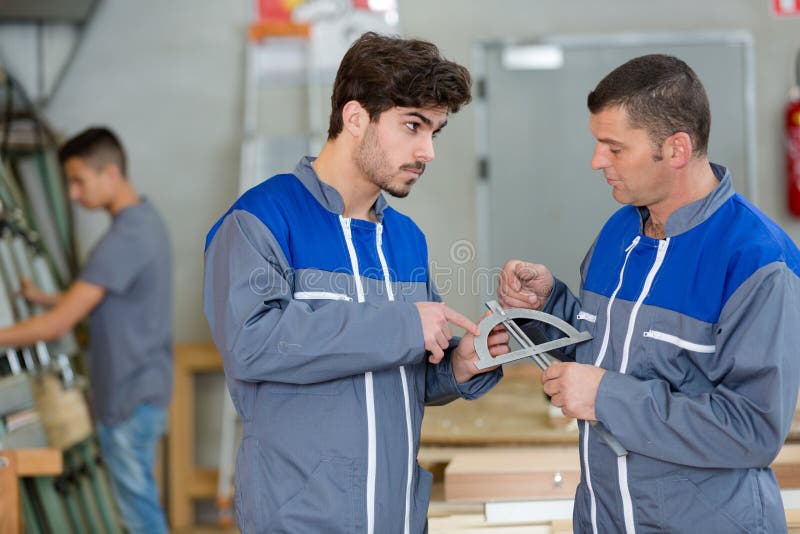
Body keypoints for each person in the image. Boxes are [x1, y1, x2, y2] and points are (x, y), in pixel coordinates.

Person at [204, 32, 507, 533]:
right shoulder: (260, 220)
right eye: (412, 125)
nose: (427, 151)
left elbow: (393, 376)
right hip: (301, 521)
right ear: (355, 117)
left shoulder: (406, 239)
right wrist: (403, 327)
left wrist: (458, 365)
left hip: (396, 517)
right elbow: (251, 345)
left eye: (435, 131)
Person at [498, 54, 800, 533]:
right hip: (605, 519)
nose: (597, 161)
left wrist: (606, 398)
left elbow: (752, 429)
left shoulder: (758, 261)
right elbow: (607, 356)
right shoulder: (619, 233)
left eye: (614, 148)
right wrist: (547, 306)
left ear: (676, 149)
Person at [0, 127, 173, 534]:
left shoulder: (123, 239)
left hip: (128, 398)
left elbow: (59, 324)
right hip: (144, 391)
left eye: (79, 181)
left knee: (140, 517)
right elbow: (98, 297)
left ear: (110, 172)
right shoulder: (146, 221)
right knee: (140, 506)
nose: (73, 194)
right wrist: (46, 297)